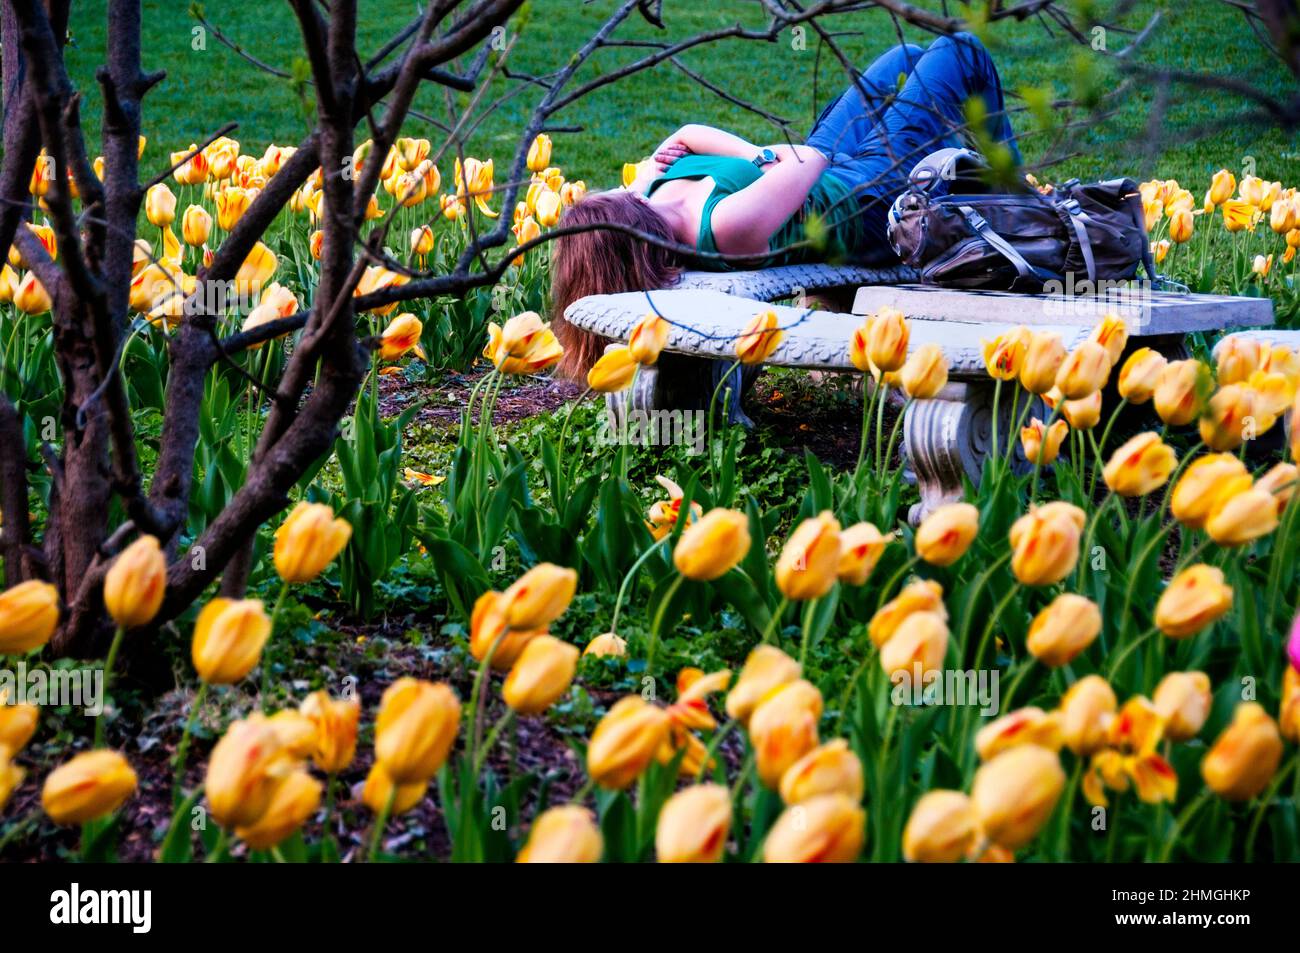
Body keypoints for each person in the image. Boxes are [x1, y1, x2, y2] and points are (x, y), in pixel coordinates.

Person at [549, 31, 1021, 377]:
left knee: (904, 57)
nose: (613, 188)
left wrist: (758, 160)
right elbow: (806, 158)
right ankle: (1020, 205)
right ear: (628, 230)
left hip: (829, 173)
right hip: (869, 198)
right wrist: (756, 155)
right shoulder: (720, 226)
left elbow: (688, 134)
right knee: (961, 52)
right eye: (608, 198)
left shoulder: (648, 198)